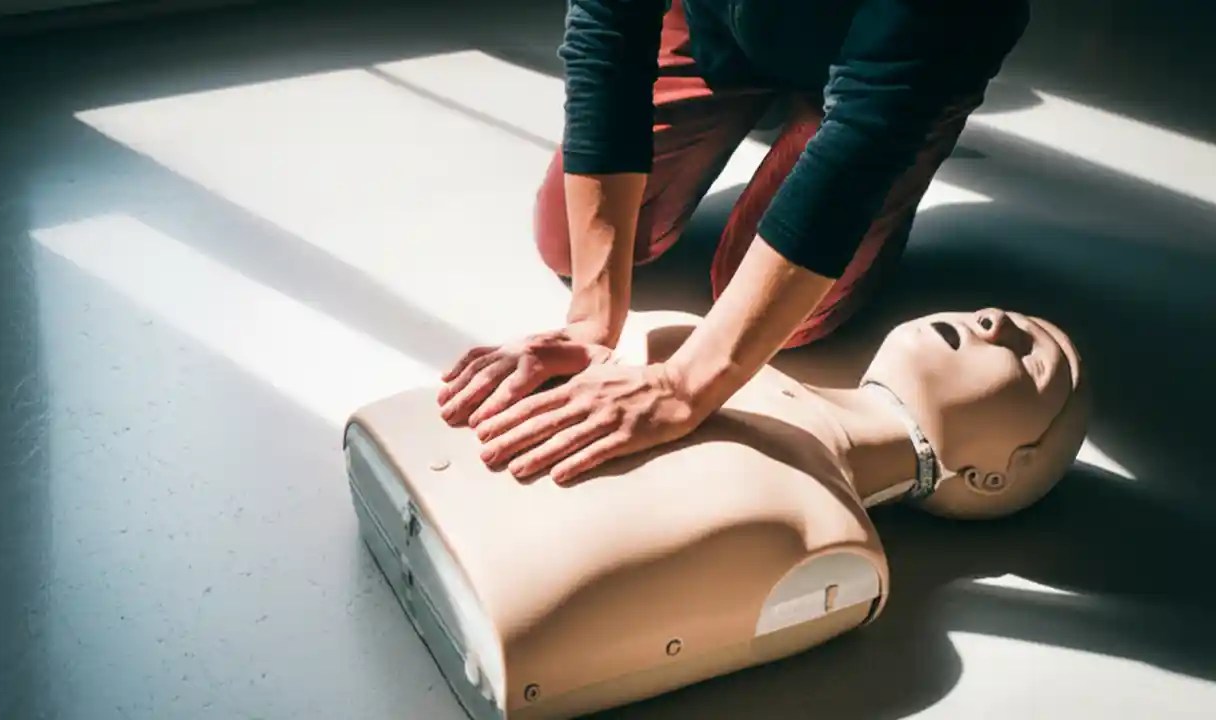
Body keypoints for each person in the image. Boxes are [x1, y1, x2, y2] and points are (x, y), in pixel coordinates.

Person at [348, 307, 1089, 716]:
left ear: (995, 478)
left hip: (498, 604)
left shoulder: (832, 546)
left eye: (1031, 358)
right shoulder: (691, 337)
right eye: (1008, 316)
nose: (995, 323)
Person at [437, 0, 1032, 482]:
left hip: (901, 75)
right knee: (573, 242)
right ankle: (769, 80)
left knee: (790, 325)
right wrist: (591, 319)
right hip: (724, 20)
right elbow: (608, 27)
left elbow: (873, 129)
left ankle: (819, 116)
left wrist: (682, 387)